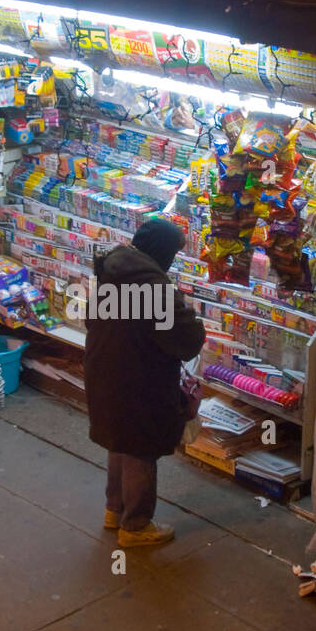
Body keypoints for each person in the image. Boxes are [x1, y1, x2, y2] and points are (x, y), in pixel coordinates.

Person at [85, 218, 206, 548]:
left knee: (119, 440)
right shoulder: (152, 287)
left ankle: (114, 510)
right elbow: (188, 338)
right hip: (138, 379)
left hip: (104, 371)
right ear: (162, 252)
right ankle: (135, 526)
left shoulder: (114, 271)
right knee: (141, 445)